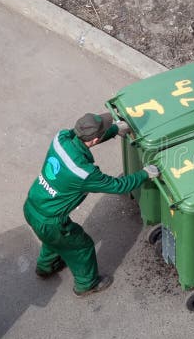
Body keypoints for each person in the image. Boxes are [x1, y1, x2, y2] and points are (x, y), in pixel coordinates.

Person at [23, 112, 159, 297]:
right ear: (95, 139)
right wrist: (145, 173)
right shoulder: (84, 173)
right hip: (51, 222)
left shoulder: (61, 138)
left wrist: (114, 130)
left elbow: (83, 138)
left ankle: (46, 266)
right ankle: (86, 285)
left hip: (33, 205)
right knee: (81, 246)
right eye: (103, 129)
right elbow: (118, 186)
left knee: (56, 240)